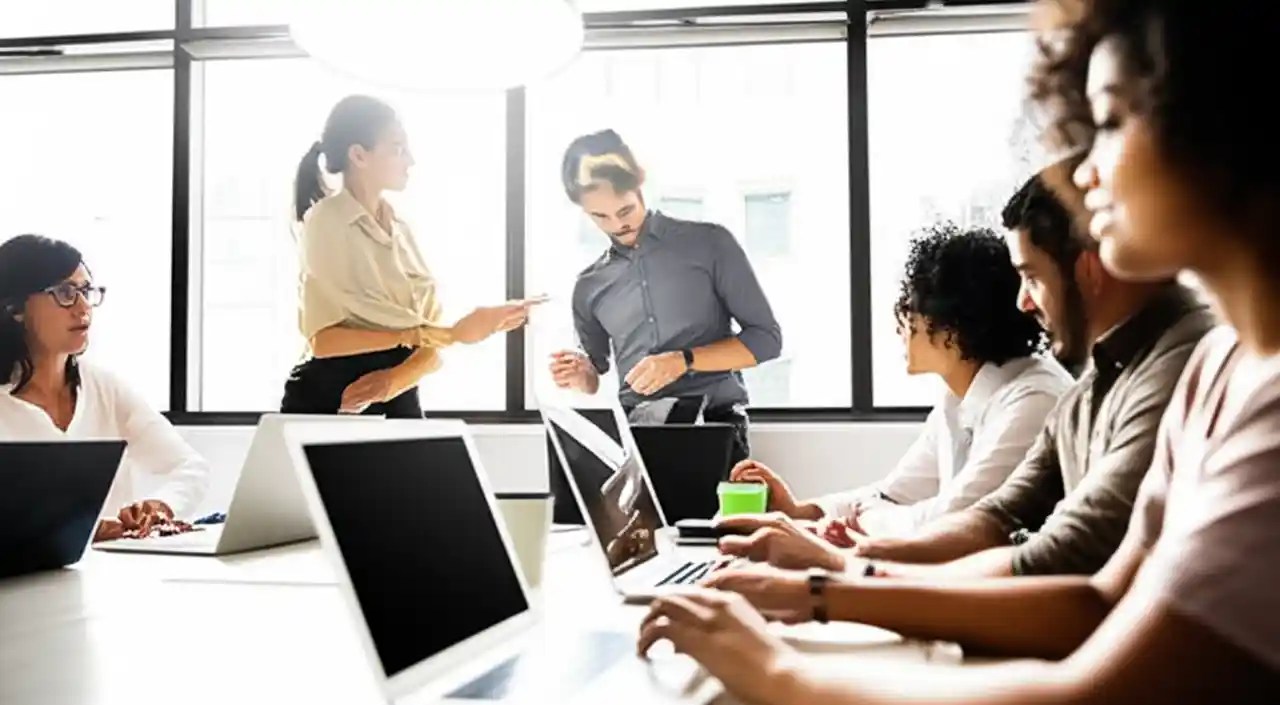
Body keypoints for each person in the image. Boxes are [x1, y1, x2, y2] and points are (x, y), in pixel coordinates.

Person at [638, 1, 1280, 705]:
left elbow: (1103, 685)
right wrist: (823, 586)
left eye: (1113, 121)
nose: (1085, 174)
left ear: (1224, 121)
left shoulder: (1219, 382)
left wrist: (785, 660)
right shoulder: (1218, 367)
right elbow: (1098, 596)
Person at [720, 156, 1215, 578]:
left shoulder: (1059, 390)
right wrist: (824, 537)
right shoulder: (1092, 382)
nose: (1024, 302)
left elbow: (1032, 550)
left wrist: (839, 571)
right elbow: (988, 516)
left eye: (1032, 277)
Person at [734, 222, 1071, 538]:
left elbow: (955, 518)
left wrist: (868, 519)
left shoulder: (1033, 400)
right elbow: (895, 493)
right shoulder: (957, 399)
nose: (901, 322)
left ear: (956, 324)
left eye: (913, 306)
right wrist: (801, 511)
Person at [283, 94, 539, 418]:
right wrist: (443, 334)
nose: (411, 160)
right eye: (398, 148)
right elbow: (324, 341)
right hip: (334, 397)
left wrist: (394, 380)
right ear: (359, 155)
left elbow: (430, 345)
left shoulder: (401, 228)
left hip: (398, 393)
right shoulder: (325, 221)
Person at [548, 129, 782, 464]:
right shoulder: (589, 285)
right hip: (637, 436)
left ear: (640, 186)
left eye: (625, 210)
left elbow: (767, 341)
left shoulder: (710, 244)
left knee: (714, 519)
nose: (617, 224)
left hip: (714, 428)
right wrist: (578, 372)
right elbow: (593, 376)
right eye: (600, 216)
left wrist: (682, 360)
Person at [0, 234, 209, 542]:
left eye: (86, 291)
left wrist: (159, 507)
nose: (83, 307)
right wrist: (77, 533)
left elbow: (190, 468)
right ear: (14, 308)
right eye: (64, 292)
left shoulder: (105, 388)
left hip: (114, 576)